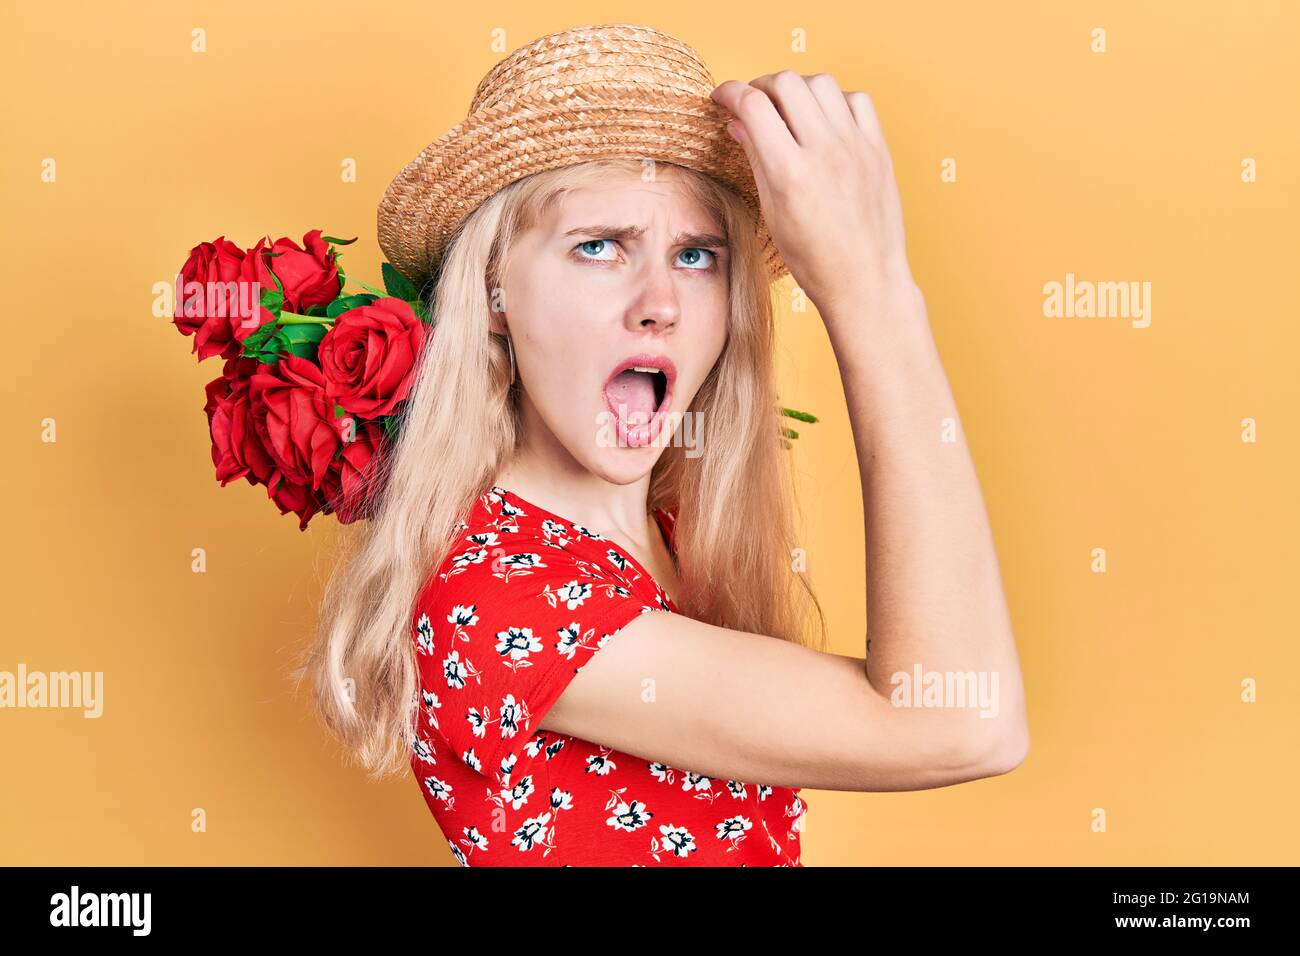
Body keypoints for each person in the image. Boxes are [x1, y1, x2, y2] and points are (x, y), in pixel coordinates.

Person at [297, 23, 1029, 867]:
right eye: (598, 247)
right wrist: (872, 289)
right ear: (494, 292)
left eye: (695, 255)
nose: (660, 304)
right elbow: (961, 724)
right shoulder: (503, 597)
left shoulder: (668, 542)